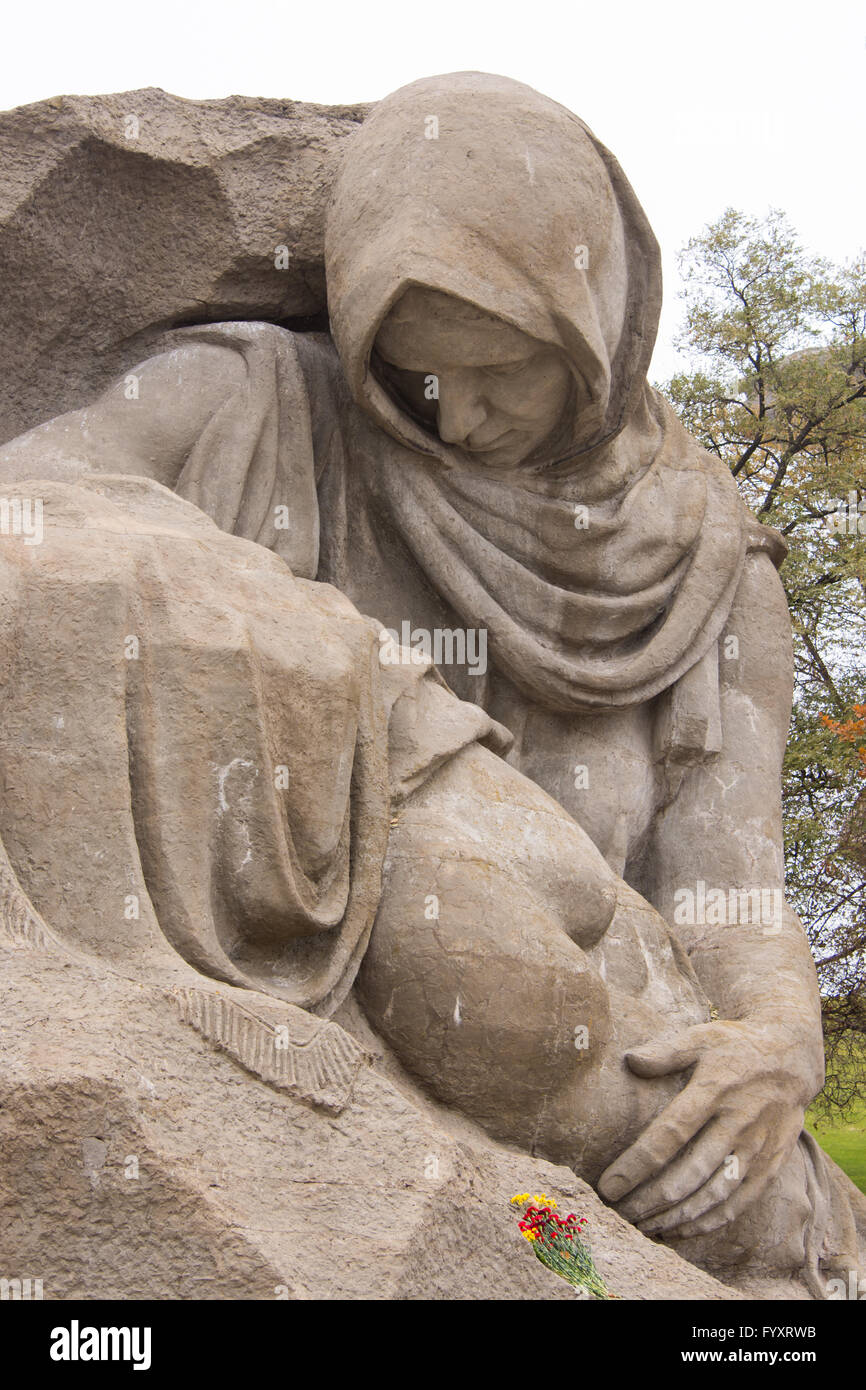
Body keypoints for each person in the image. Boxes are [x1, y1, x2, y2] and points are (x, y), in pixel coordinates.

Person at [0, 71, 862, 1295]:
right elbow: (34, 506)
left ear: (592, 317)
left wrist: (776, 1040)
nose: (458, 420)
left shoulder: (711, 574)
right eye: (416, 376)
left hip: (621, 1082)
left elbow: (729, 886)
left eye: (503, 369)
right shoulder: (254, 406)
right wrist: (316, 661)